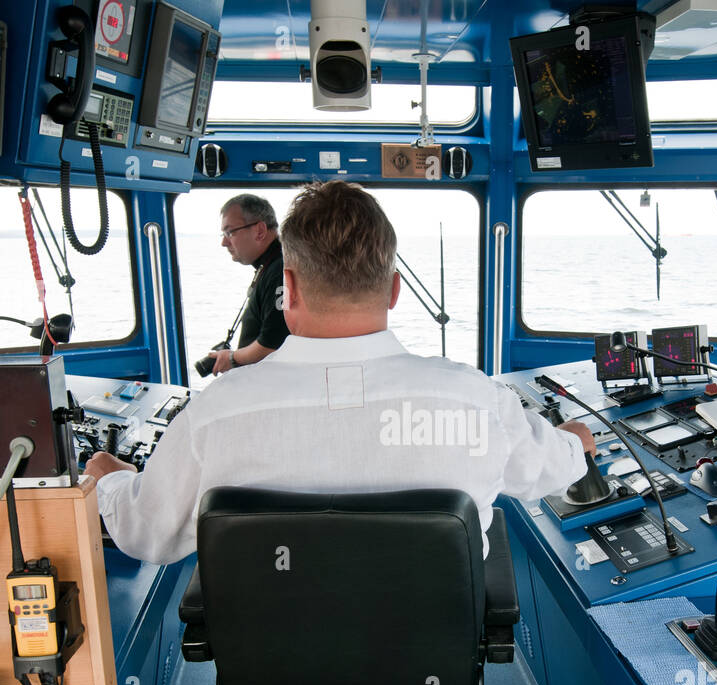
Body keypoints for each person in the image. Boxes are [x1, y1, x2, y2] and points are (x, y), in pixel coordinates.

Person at [88, 180, 593, 563]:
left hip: (270, 672)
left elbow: (144, 534)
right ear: (395, 290)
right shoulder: (476, 402)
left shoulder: (213, 415)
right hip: (426, 671)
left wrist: (111, 480)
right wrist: (576, 440)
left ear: (289, 287)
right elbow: (552, 470)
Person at [202, 194, 288, 374]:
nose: (224, 242)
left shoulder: (280, 270)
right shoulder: (271, 266)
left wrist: (232, 358)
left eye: (229, 232)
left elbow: (273, 344)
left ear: (260, 231)